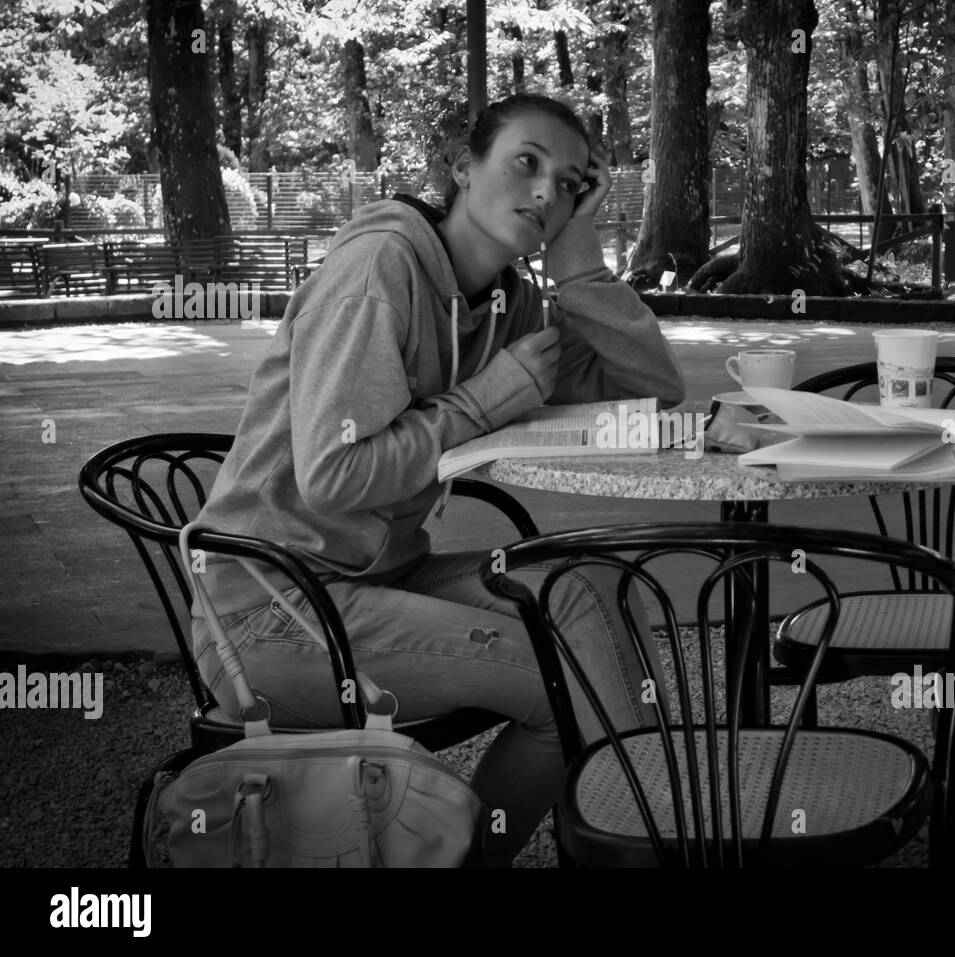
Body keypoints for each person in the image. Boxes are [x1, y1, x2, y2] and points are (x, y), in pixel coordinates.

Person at [188, 93, 686, 866]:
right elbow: (332, 476)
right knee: (563, 683)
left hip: (381, 576)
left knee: (589, 583)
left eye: (569, 184)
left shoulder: (509, 303)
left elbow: (651, 388)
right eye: (527, 162)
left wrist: (578, 258)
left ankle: (643, 828)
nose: (546, 191)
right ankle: (626, 838)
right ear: (461, 167)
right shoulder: (380, 266)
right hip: (271, 611)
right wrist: (485, 399)